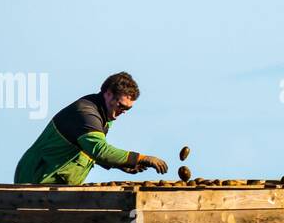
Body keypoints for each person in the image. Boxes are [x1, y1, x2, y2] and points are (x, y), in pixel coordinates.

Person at [13, 72, 168, 184]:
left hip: (56, 185)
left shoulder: (105, 115)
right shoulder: (86, 114)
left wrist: (118, 164)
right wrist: (141, 158)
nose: (123, 112)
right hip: (37, 180)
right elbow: (100, 150)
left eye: (128, 109)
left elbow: (89, 150)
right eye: (121, 105)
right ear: (108, 94)